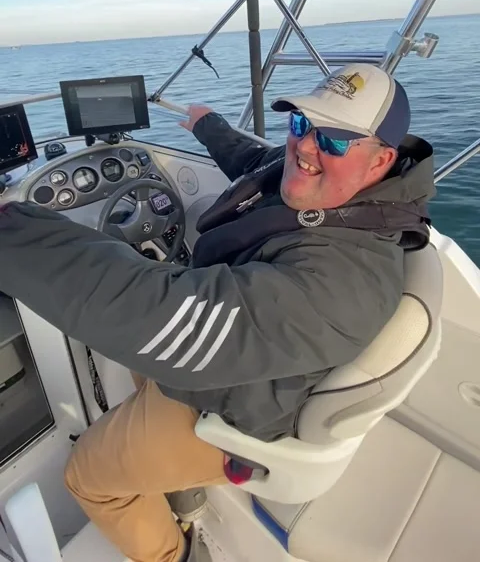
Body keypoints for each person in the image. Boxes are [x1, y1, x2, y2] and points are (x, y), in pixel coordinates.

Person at [0, 64, 435, 562]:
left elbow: (156, 314)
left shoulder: (341, 283)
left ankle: (173, 553)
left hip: (231, 412)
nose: (307, 147)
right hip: (230, 370)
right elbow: (262, 165)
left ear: (381, 160)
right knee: (139, 363)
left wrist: (10, 230)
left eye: (335, 140)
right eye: (300, 124)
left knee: (87, 477)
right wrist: (209, 126)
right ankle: (170, 487)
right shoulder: (348, 197)